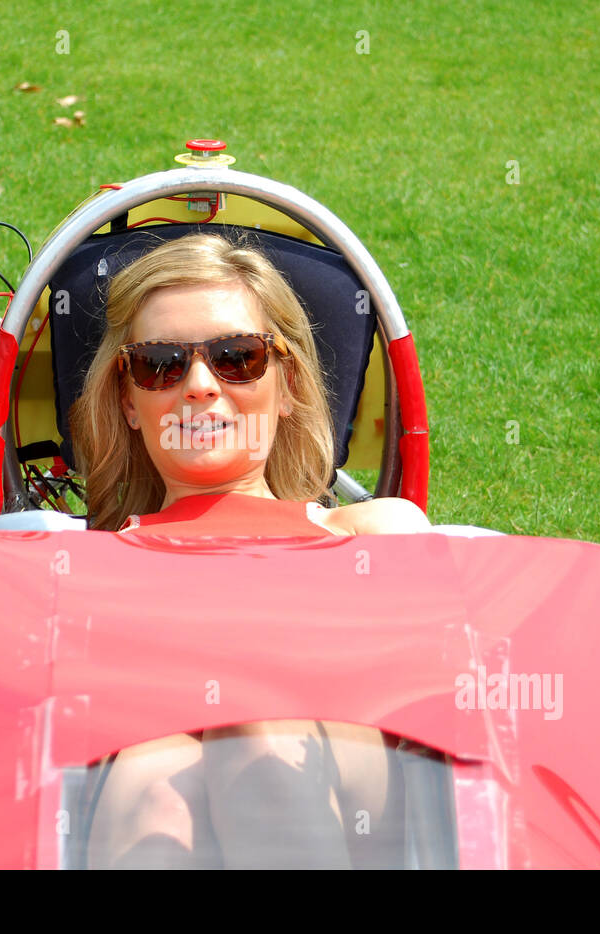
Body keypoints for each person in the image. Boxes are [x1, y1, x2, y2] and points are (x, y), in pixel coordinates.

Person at [67, 230, 431, 868]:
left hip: (338, 771)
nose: (200, 385)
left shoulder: (373, 532)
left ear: (286, 384)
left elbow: (442, 712)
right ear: (128, 400)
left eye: (237, 356)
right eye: (161, 363)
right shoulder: (86, 562)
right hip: (152, 750)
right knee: (155, 779)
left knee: (256, 736)